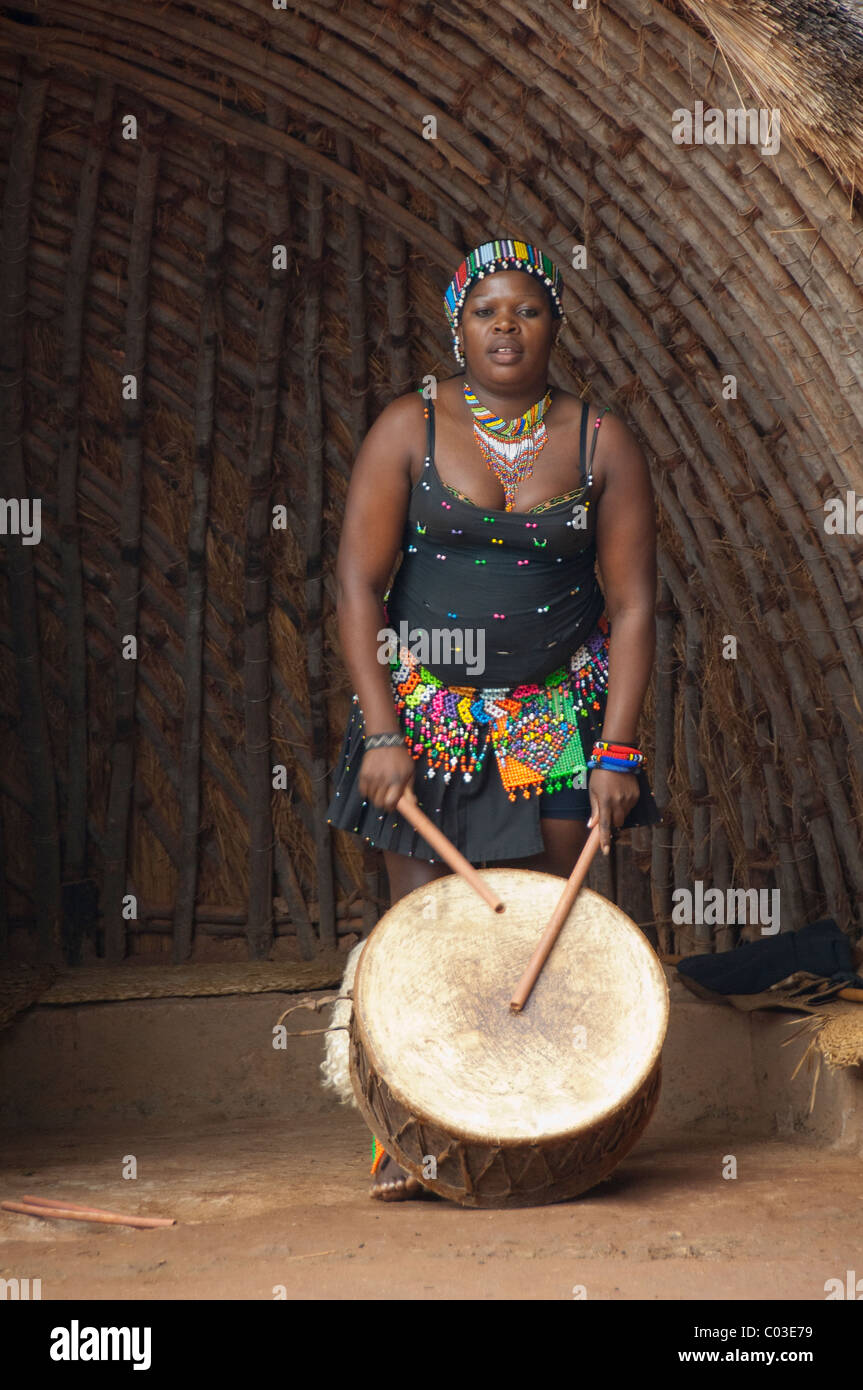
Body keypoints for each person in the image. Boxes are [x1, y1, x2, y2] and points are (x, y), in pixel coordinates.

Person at [326, 238, 660, 1199]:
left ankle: (556, 1129)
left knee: (555, 929)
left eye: (526, 310)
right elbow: (357, 582)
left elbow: (633, 605)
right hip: (426, 718)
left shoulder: (601, 440)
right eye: (485, 311)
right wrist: (383, 732)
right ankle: (415, 1138)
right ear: (456, 324)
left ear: (554, 324)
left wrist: (617, 750)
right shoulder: (409, 427)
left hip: (553, 716)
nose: (505, 327)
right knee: (427, 930)